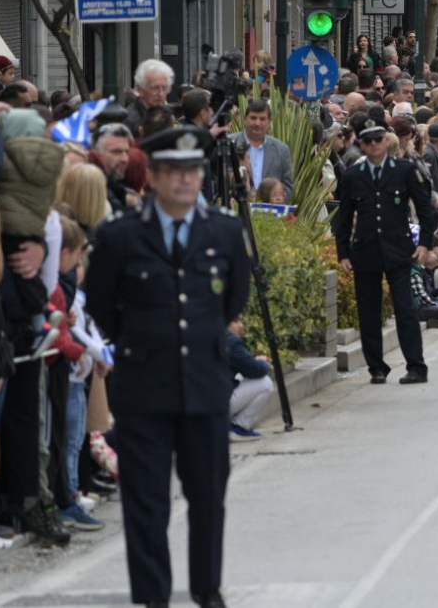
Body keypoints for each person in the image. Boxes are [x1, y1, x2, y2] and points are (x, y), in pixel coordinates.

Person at [86, 125, 252, 608]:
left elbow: (232, 300)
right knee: (146, 502)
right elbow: (102, 306)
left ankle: (207, 589)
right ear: (153, 177)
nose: (184, 181)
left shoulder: (223, 230)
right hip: (144, 388)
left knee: (207, 499)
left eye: (193, 171)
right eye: (173, 172)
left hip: (204, 384)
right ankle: (153, 596)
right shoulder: (120, 237)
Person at [332, 125, 438, 385]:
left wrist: (425, 244)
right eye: (368, 142)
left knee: (405, 309)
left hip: (398, 249)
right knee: (368, 312)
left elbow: (426, 210)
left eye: (378, 140)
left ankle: (416, 365)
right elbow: (343, 218)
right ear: (363, 144)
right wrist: (343, 253)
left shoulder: (403, 170)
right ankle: (376, 367)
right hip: (366, 250)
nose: (373, 146)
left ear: (385, 142)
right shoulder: (353, 175)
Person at [230, 99, 293, 200]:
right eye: (253, 118)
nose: (257, 123)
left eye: (262, 119)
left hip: (269, 213)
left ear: (269, 122)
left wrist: (276, 201)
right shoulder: (229, 143)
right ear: (245, 119)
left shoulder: (282, 150)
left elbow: (288, 188)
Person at [225, 320, 273, 440]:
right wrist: (263, 363)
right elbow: (256, 370)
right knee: (265, 383)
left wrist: (253, 359)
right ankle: (239, 427)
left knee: (240, 376)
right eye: (236, 321)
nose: (242, 325)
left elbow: (240, 362)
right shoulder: (230, 341)